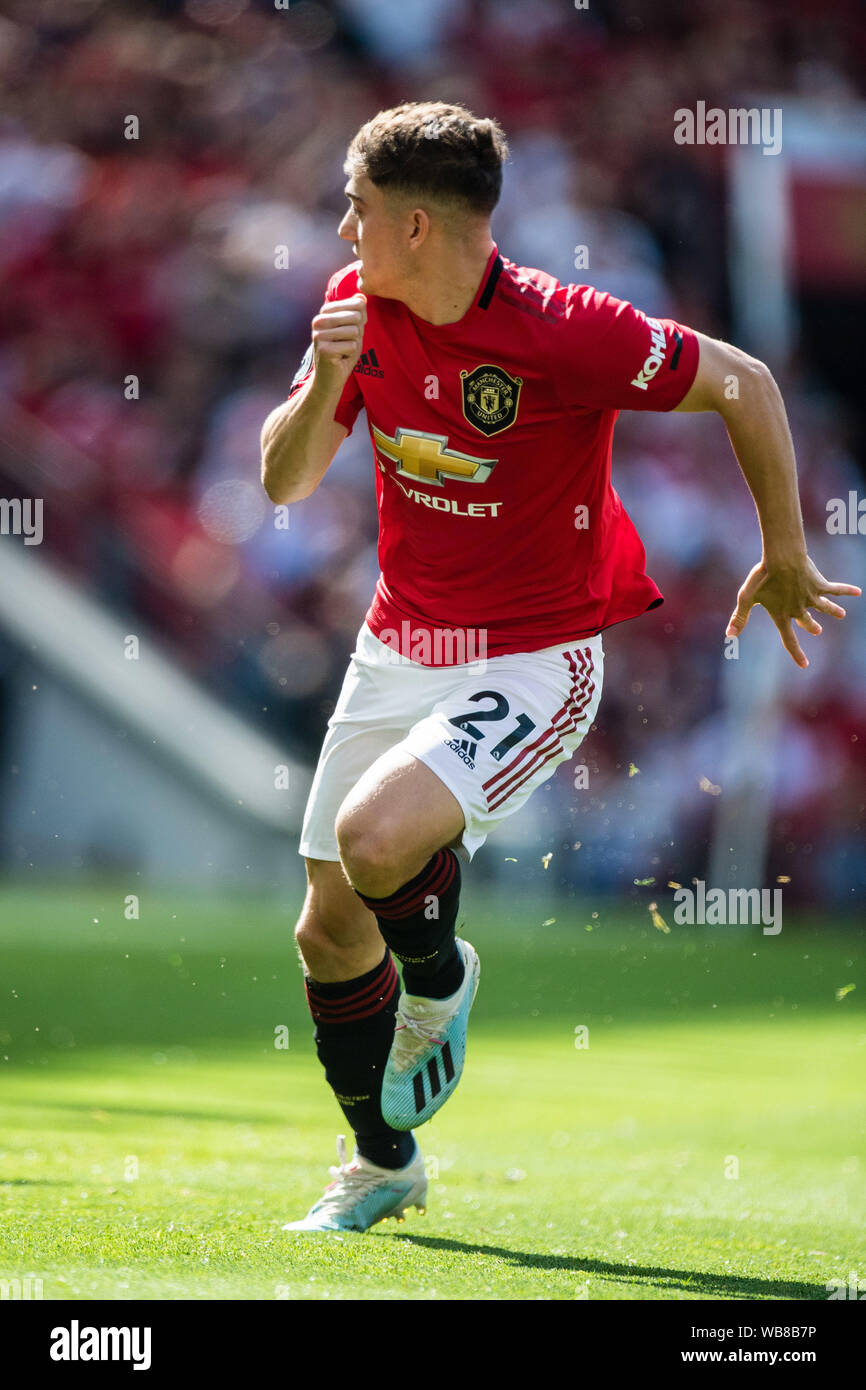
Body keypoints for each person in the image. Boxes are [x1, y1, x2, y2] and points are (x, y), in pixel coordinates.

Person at [260, 101, 860, 1233]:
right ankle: (382, 1164)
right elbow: (283, 482)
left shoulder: (563, 328)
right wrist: (315, 387)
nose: (345, 234)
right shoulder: (354, 310)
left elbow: (741, 381)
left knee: (378, 841)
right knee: (327, 928)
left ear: (423, 228)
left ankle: (438, 981)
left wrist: (784, 550)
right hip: (397, 644)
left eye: (361, 213)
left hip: (531, 660)